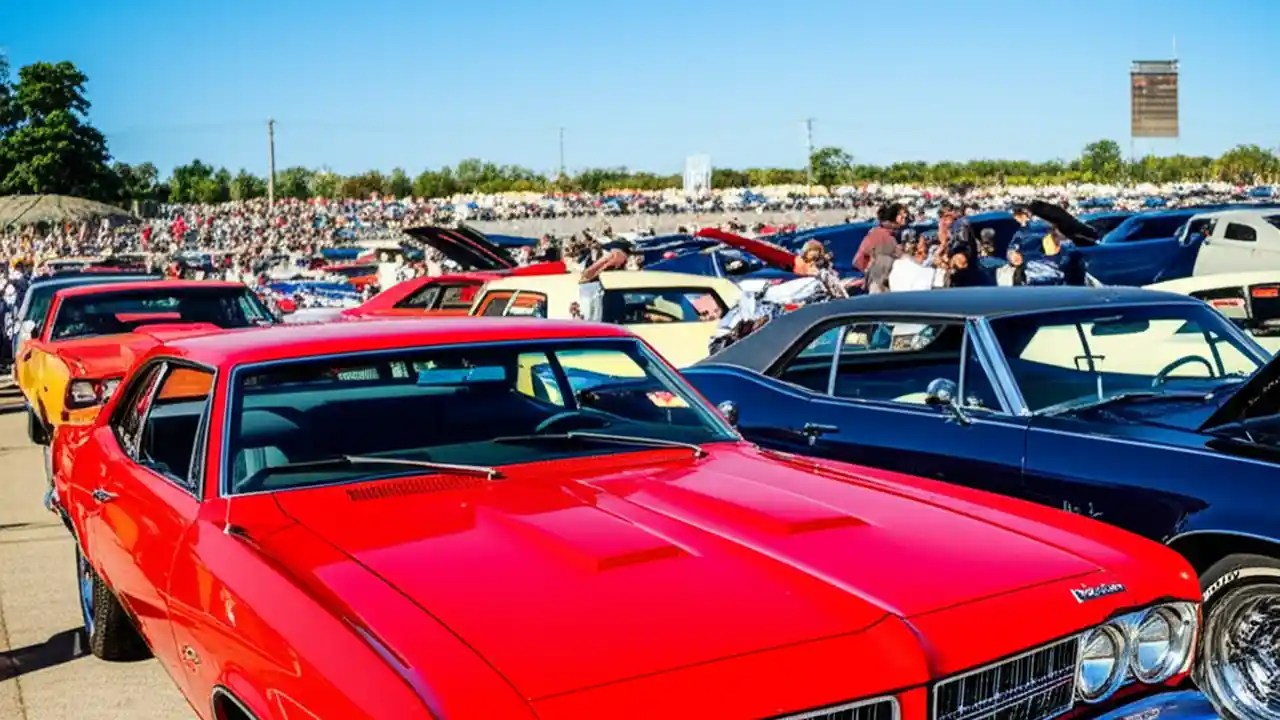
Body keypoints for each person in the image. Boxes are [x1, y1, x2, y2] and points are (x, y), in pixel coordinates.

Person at [578, 239, 630, 322]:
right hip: (613, 291)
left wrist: (590, 276)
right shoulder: (620, 257)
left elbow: (589, 271)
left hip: (601, 289)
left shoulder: (612, 255)